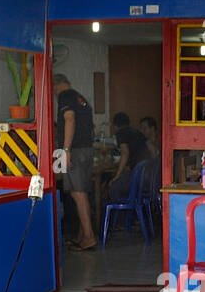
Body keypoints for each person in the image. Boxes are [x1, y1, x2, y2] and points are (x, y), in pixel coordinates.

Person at [53, 73, 97, 250]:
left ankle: (88, 237)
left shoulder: (65, 96)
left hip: (75, 151)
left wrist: (65, 150)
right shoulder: (80, 97)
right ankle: (82, 235)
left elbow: (69, 119)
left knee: (78, 194)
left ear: (55, 86)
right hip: (86, 149)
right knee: (81, 193)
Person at [106, 112, 150, 203]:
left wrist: (117, 176)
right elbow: (152, 149)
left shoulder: (121, 133)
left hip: (137, 176)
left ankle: (120, 214)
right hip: (147, 175)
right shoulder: (137, 132)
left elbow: (125, 153)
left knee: (113, 187)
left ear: (115, 126)